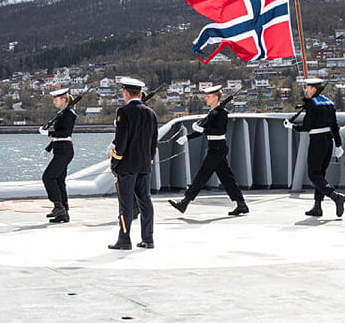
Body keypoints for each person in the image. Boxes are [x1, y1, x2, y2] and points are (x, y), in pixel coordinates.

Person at [170, 85, 249, 216]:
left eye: (208, 96)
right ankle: (241, 204)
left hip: (218, 148)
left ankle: (185, 202)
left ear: (216, 98)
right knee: (227, 178)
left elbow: (219, 131)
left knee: (203, 174)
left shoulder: (222, 113)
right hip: (215, 147)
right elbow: (202, 130)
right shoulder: (213, 112)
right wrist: (187, 137)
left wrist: (203, 129)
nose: (206, 98)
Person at [107, 77, 159, 249]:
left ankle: (124, 239)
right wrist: (149, 160)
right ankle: (148, 239)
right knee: (145, 202)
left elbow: (121, 142)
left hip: (127, 165)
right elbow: (153, 142)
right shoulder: (151, 113)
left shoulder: (124, 111)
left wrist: (115, 160)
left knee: (126, 204)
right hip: (144, 165)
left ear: (125, 92)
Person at [285, 78, 345, 217]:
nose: (305, 91)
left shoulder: (312, 104)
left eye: (307, 88)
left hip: (317, 141)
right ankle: (317, 206)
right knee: (321, 174)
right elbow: (334, 126)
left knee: (313, 174)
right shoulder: (329, 103)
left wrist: (292, 126)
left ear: (313, 89)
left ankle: (335, 196)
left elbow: (307, 126)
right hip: (328, 141)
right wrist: (338, 144)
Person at [39, 88, 77, 223]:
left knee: (48, 177)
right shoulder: (62, 113)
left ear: (64, 100)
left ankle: (58, 206)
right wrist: (48, 149)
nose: (54, 102)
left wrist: (48, 133)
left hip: (65, 150)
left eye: (56, 99)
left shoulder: (69, 113)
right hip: (59, 149)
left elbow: (65, 133)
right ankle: (64, 213)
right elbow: (58, 136)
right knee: (59, 181)